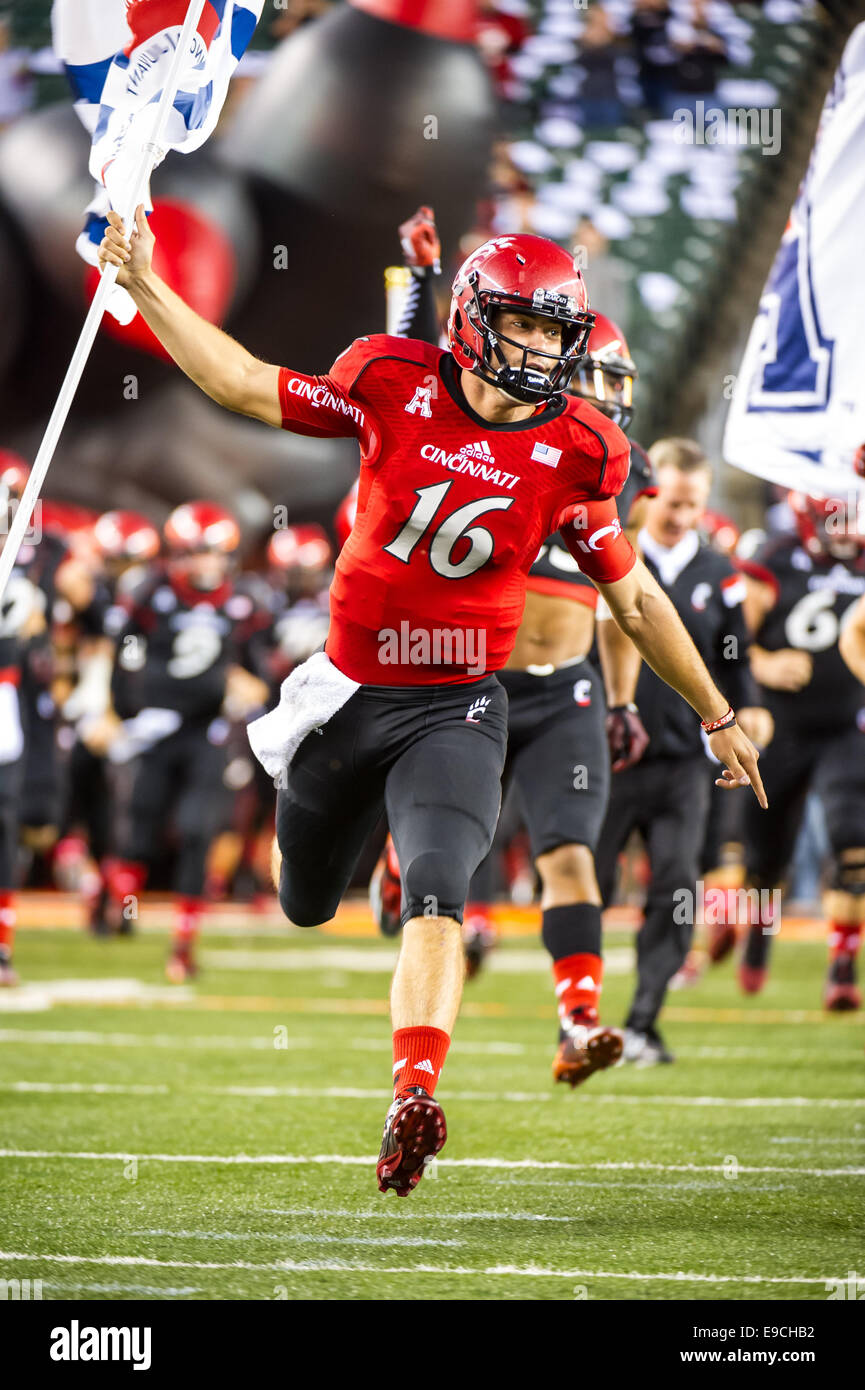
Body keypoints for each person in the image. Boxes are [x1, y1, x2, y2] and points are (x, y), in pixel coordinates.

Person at [98, 207, 765, 1198]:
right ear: (467, 319)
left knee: (441, 891)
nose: (539, 349)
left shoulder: (582, 448)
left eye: (554, 331)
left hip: (458, 702)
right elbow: (241, 381)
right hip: (349, 691)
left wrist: (716, 711)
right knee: (305, 899)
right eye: (521, 325)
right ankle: (360, 851)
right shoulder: (389, 381)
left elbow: (631, 593)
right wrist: (147, 283)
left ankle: (413, 1092)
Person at [370, 208, 655, 1095]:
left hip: (564, 684)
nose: (606, 392)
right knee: (455, 854)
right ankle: (408, 879)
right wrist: (415, 283)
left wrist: (620, 700)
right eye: (597, 374)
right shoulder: (493, 425)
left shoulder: (609, 462)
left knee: (570, 848)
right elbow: (413, 381)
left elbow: (625, 605)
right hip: (470, 678)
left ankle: (577, 1019)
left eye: (613, 377)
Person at [594, 439, 771, 1064]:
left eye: (693, 505)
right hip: (607, 755)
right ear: (649, 496)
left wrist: (749, 710)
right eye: (671, 503)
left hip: (682, 762)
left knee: (674, 887)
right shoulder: (609, 553)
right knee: (582, 881)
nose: (680, 517)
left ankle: (642, 1021)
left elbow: (736, 655)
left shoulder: (719, 572)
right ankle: (579, 1013)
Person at [93, 501, 271, 979]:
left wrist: (246, 688)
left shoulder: (243, 602)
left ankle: (183, 946)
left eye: (215, 552)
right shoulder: (152, 593)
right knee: (138, 831)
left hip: (207, 732)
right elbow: (124, 653)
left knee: (198, 832)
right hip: (154, 727)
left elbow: (257, 675)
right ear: (178, 554)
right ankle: (118, 901)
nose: (206, 562)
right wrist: (127, 708)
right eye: (197, 552)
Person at [734, 492, 865, 1008]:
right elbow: (729, 640)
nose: (846, 530)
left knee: (854, 842)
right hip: (780, 727)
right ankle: (758, 937)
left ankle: (842, 965)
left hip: (848, 726)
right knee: (766, 856)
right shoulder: (771, 560)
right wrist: (763, 665)